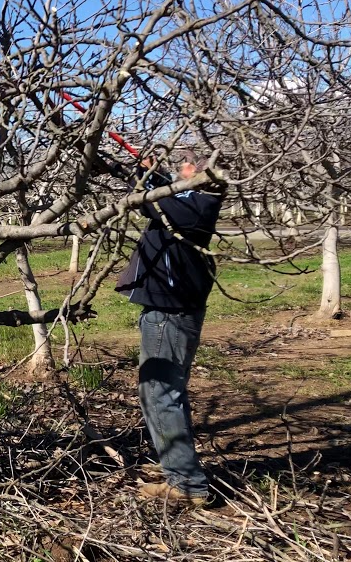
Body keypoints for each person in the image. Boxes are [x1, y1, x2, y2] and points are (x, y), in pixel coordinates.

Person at [112, 153, 223, 506]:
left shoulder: (199, 205)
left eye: (191, 164)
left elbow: (153, 201)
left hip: (169, 313)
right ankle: (178, 471)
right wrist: (141, 170)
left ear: (206, 174)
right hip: (168, 311)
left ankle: (188, 484)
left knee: (160, 395)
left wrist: (146, 180)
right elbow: (161, 191)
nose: (182, 166)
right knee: (164, 394)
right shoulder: (188, 200)